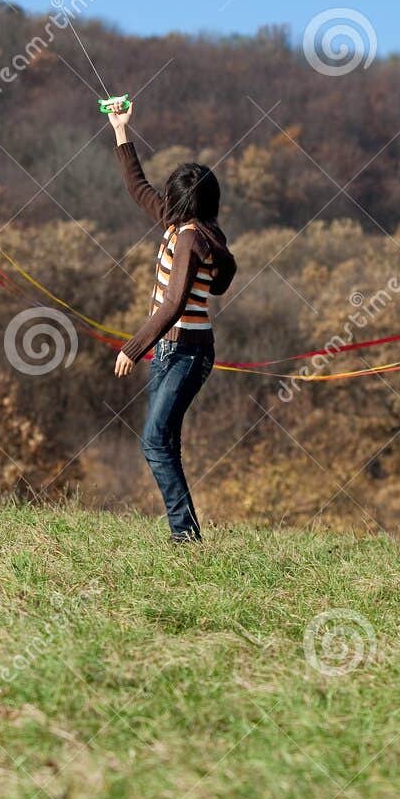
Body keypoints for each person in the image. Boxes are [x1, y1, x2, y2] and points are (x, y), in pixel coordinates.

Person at [107, 100, 237, 543]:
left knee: (154, 441)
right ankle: (185, 535)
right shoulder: (179, 222)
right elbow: (137, 186)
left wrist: (131, 347)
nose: (162, 203)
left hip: (186, 350)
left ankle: (185, 537)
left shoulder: (190, 239)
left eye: (172, 197)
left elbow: (175, 304)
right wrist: (122, 131)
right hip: (169, 350)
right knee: (165, 440)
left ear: (185, 203)